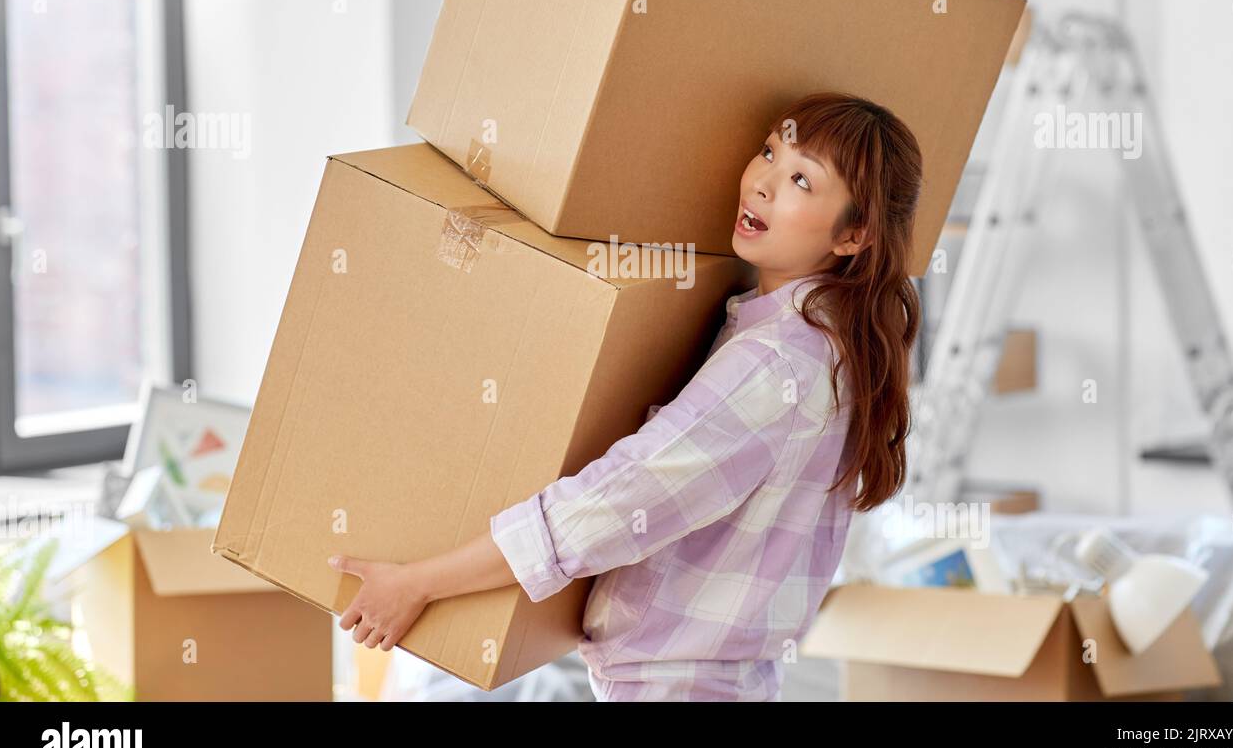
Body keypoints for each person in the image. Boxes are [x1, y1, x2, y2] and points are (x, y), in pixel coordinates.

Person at [328, 92, 924, 701]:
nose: (763, 183)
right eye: (769, 150)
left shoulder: (774, 365)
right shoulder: (834, 341)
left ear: (854, 234)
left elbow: (613, 503)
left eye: (801, 178)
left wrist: (420, 582)